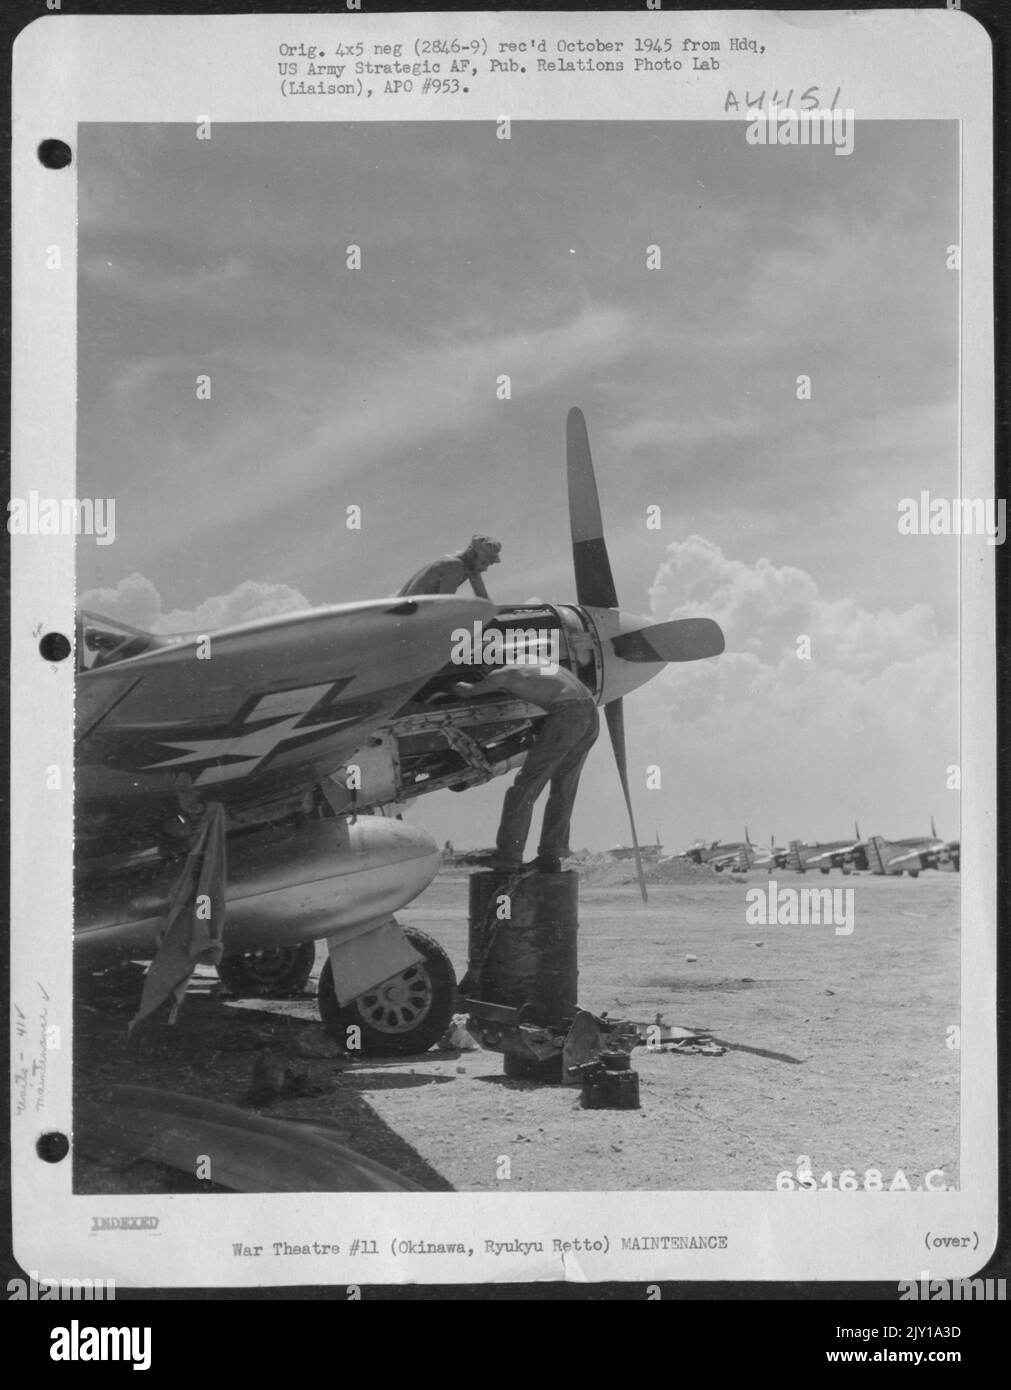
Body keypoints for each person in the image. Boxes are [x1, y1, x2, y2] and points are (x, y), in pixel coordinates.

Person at [452, 660, 599, 873]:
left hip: (567, 714)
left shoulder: (503, 674)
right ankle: (552, 856)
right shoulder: (532, 662)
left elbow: (467, 691)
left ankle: (508, 855)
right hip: (590, 713)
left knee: (524, 788)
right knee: (563, 789)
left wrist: (447, 685)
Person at [397, 534, 501, 600]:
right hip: (406, 614)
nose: (485, 569)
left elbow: (483, 597)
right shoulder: (454, 566)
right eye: (483, 563)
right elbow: (445, 605)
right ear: (471, 554)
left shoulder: (470, 566)